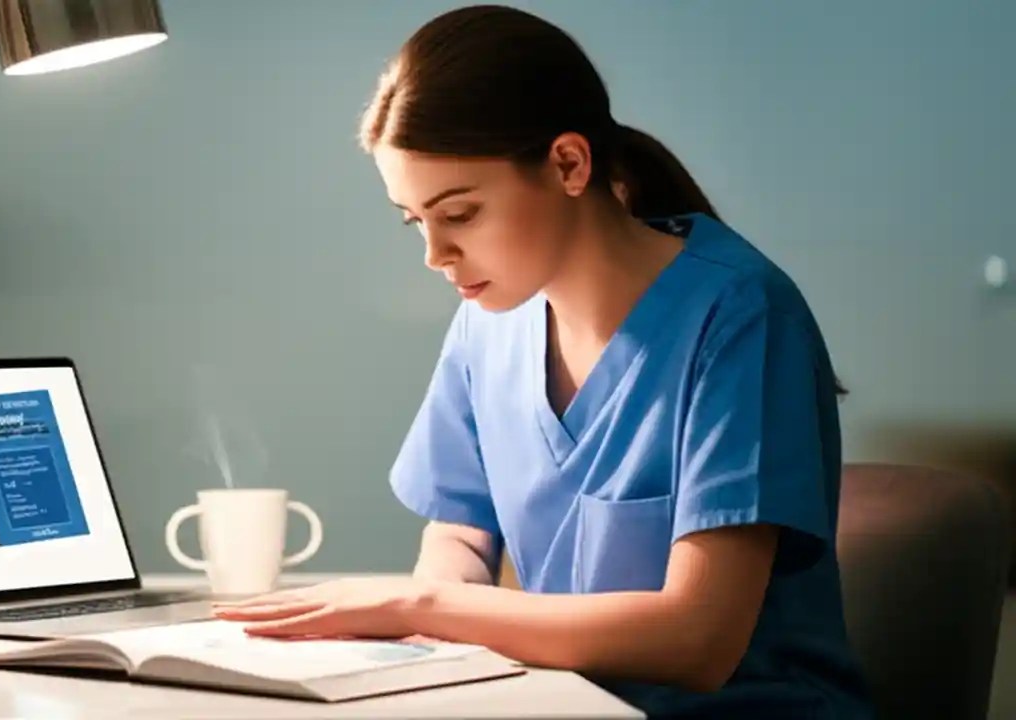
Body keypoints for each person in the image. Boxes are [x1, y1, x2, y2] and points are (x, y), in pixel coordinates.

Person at [214, 5, 872, 717]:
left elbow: (698, 639)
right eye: (416, 222)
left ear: (568, 163)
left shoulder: (739, 314)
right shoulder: (488, 327)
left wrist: (422, 606)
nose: (435, 256)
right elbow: (460, 527)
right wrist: (429, 621)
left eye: (460, 214)